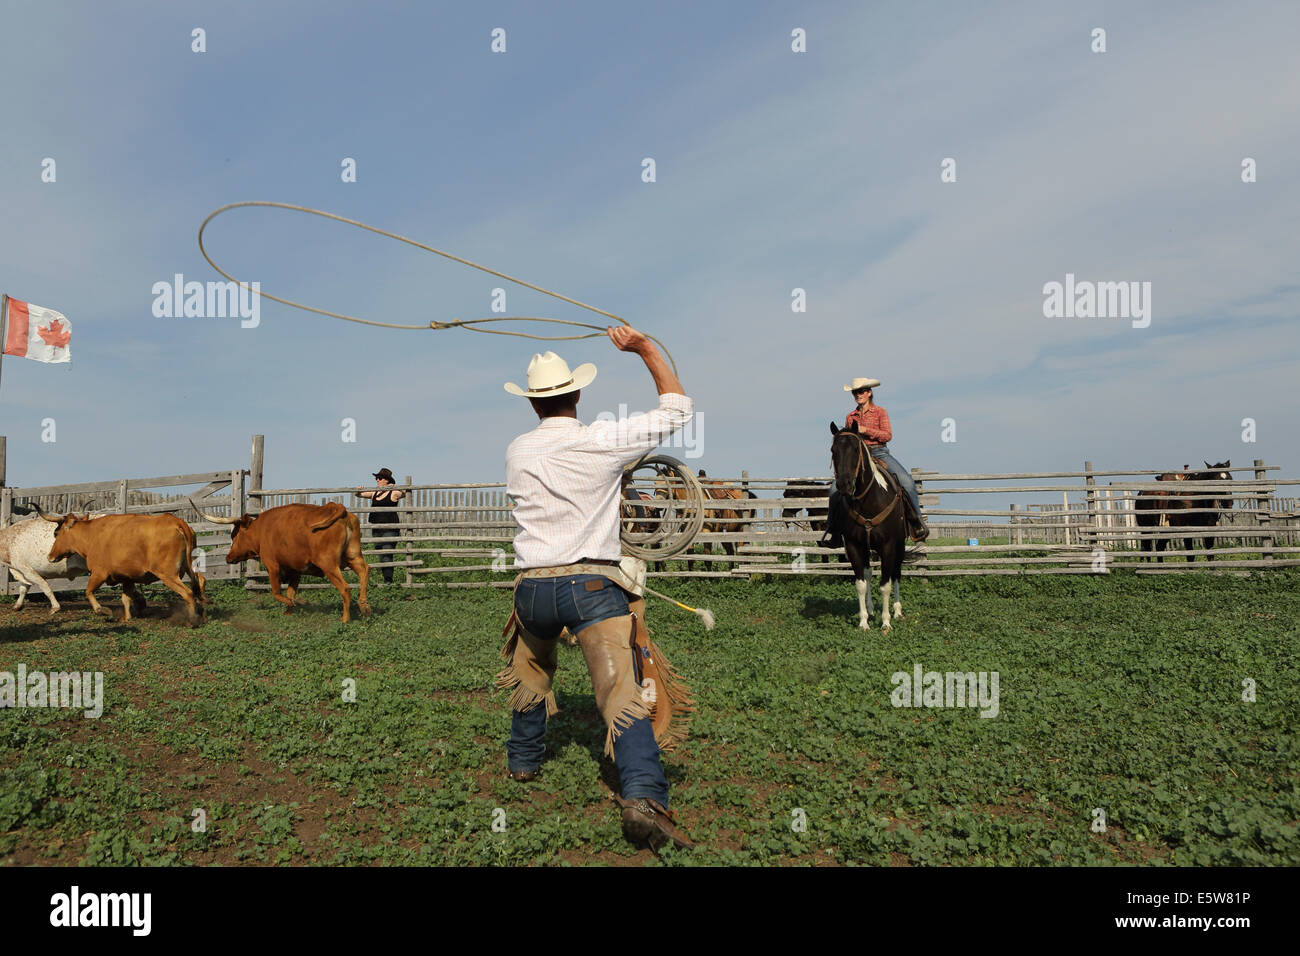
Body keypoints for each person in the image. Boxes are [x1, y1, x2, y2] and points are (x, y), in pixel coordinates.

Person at [497, 327, 696, 851]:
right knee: (620, 694)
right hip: (590, 585)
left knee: (531, 672)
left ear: (533, 405)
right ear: (577, 395)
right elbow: (677, 409)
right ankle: (644, 796)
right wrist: (647, 348)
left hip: (532, 589)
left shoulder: (518, 451)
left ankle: (522, 763)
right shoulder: (601, 440)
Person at [840, 377, 929, 541]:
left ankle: (917, 523)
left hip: (879, 452)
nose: (857, 395)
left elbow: (887, 435)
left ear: (869, 393)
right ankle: (834, 530)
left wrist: (865, 430)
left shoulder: (880, 412)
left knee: (907, 482)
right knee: (835, 489)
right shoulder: (850, 416)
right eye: (854, 392)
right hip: (858, 456)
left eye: (860, 391)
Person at [355, 468, 404, 584]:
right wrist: (358, 490)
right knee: (380, 554)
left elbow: (405, 493)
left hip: (389, 528)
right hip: (376, 528)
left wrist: (393, 486)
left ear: (387, 480)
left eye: (380, 478)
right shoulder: (374, 493)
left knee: (387, 553)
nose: (377, 480)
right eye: (376, 478)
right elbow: (359, 495)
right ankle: (387, 580)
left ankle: (388, 581)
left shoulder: (394, 493)